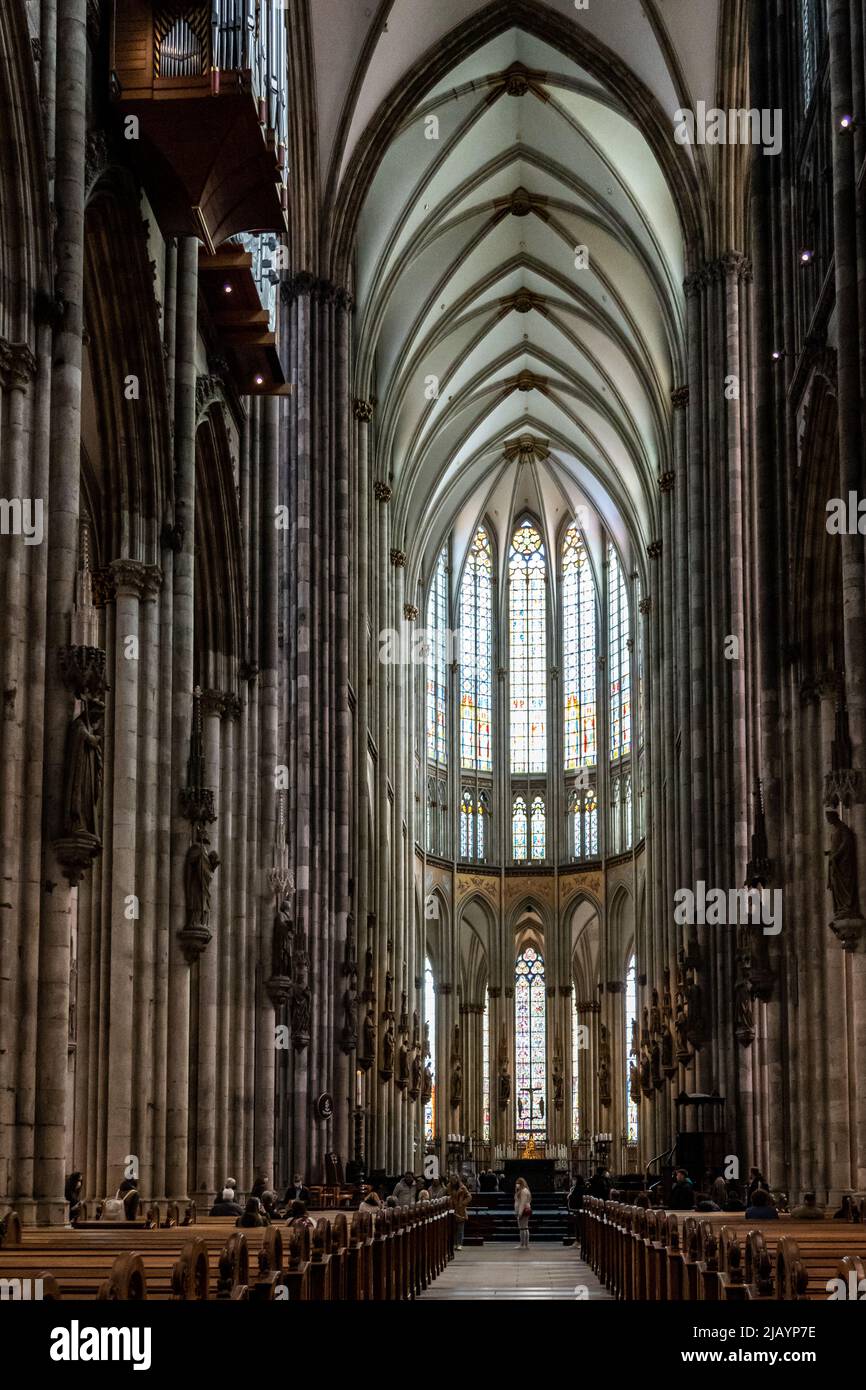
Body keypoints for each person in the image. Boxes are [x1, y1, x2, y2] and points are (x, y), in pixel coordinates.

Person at [449, 1175, 472, 1249]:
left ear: (457, 1180)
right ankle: (454, 1243)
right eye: (452, 1180)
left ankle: (459, 1244)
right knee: (453, 1228)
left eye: (454, 1180)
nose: (453, 1181)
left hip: (460, 1210)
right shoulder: (449, 1187)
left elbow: (469, 1197)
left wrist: (462, 1203)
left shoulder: (462, 1187)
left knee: (460, 1229)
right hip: (452, 1209)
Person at [514, 1176, 532, 1249]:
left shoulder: (523, 1191)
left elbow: (522, 1203)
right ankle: (525, 1244)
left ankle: (523, 1244)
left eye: (518, 1183)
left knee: (522, 1228)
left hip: (523, 1210)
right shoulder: (525, 1190)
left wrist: (520, 1213)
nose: (516, 1185)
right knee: (525, 1227)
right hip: (525, 1209)